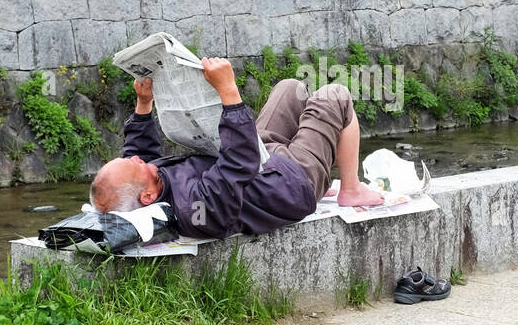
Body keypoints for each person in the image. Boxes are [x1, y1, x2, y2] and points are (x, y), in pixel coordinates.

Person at [89, 58, 383, 240]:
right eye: (135, 164)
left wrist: (144, 105)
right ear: (147, 196)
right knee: (335, 95)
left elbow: (138, 154)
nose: (137, 158)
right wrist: (228, 91)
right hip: (290, 185)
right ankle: (351, 188)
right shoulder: (194, 210)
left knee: (290, 87)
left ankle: (331, 167)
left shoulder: (150, 187)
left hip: (265, 161)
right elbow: (238, 163)